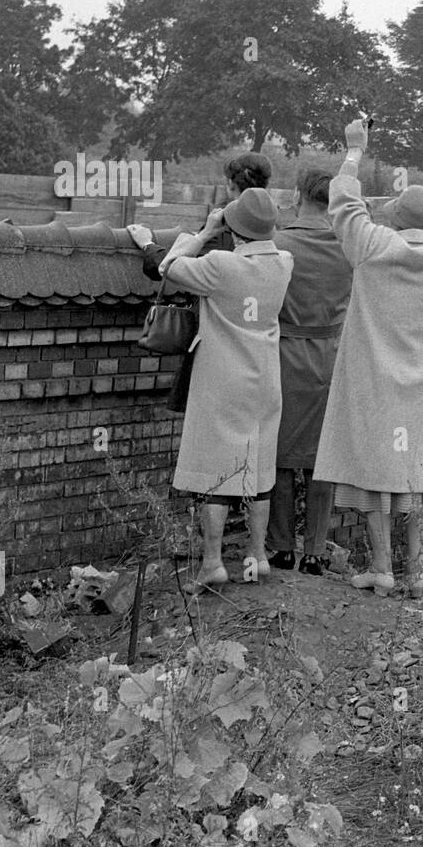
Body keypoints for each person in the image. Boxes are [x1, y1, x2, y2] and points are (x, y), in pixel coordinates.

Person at [312, 120, 423, 597]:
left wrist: (354, 150)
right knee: (418, 478)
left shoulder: (373, 247)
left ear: (397, 217)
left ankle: (381, 568)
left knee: (373, 472)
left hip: (374, 382)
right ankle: (418, 573)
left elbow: (343, 203)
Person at [158, 187, 293, 588]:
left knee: (215, 470)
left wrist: (204, 231)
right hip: (265, 378)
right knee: (258, 464)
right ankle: (257, 556)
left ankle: (213, 563)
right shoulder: (284, 262)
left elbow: (169, 266)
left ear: (235, 231)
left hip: (221, 379)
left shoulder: (219, 265)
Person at [126, 152, 273, 412]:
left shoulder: (220, 236)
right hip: (258, 354)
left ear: (230, 185)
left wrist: (149, 245)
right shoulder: (274, 243)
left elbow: (169, 268)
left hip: (215, 345)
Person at [266, 160, 354, 575]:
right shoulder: (349, 244)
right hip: (332, 357)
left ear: (298, 195)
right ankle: (315, 552)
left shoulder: (279, 242)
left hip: (284, 354)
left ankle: (281, 546)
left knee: (281, 455)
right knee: (324, 459)